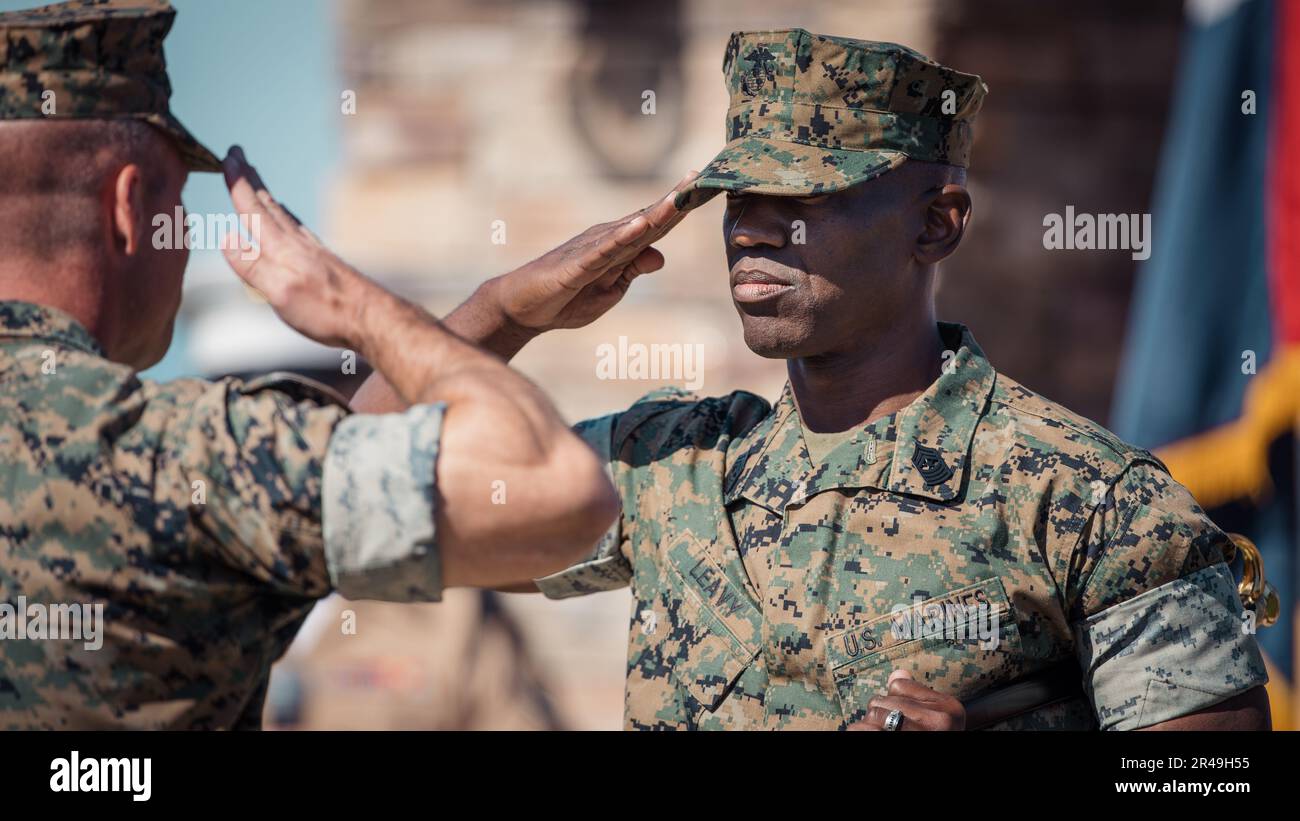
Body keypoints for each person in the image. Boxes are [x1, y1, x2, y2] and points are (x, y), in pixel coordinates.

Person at [353, 29, 1272, 730]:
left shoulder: (1090, 498)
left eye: (803, 197)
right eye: (738, 197)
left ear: (938, 223)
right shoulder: (671, 468)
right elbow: (349, 498)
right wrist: (505, 308)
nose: (752, 227)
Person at [0, 0, 685, 729]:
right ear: (129, 208)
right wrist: (351, 304)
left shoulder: (168, 459)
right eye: (181, 200)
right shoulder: (160, 455)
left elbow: (316, 466)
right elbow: (557, 489)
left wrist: (498, 313)